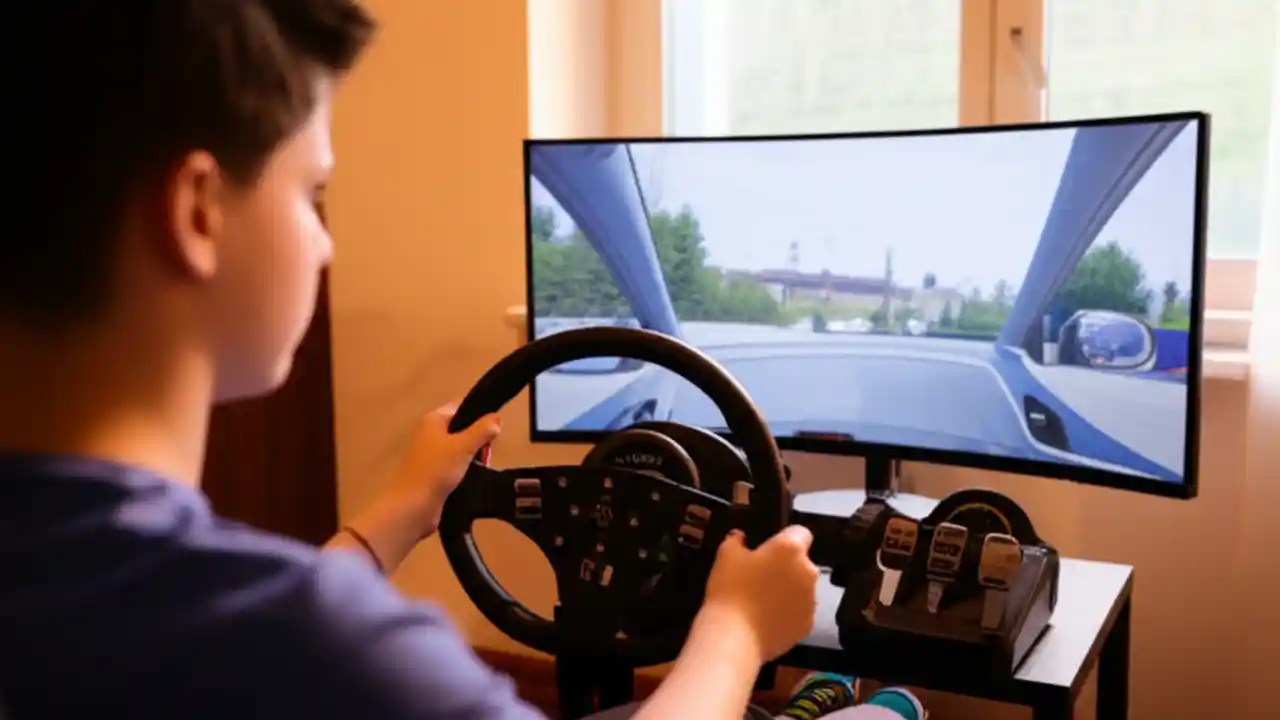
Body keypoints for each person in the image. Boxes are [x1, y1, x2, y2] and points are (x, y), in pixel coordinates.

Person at [0, 3, 924, 719]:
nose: (323, 244)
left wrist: (397, 517)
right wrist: (733, 630)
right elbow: (279, 634)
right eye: (311, 191)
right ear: (198, 211)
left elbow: (211, 639)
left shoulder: (186, 620)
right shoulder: (335, 650)